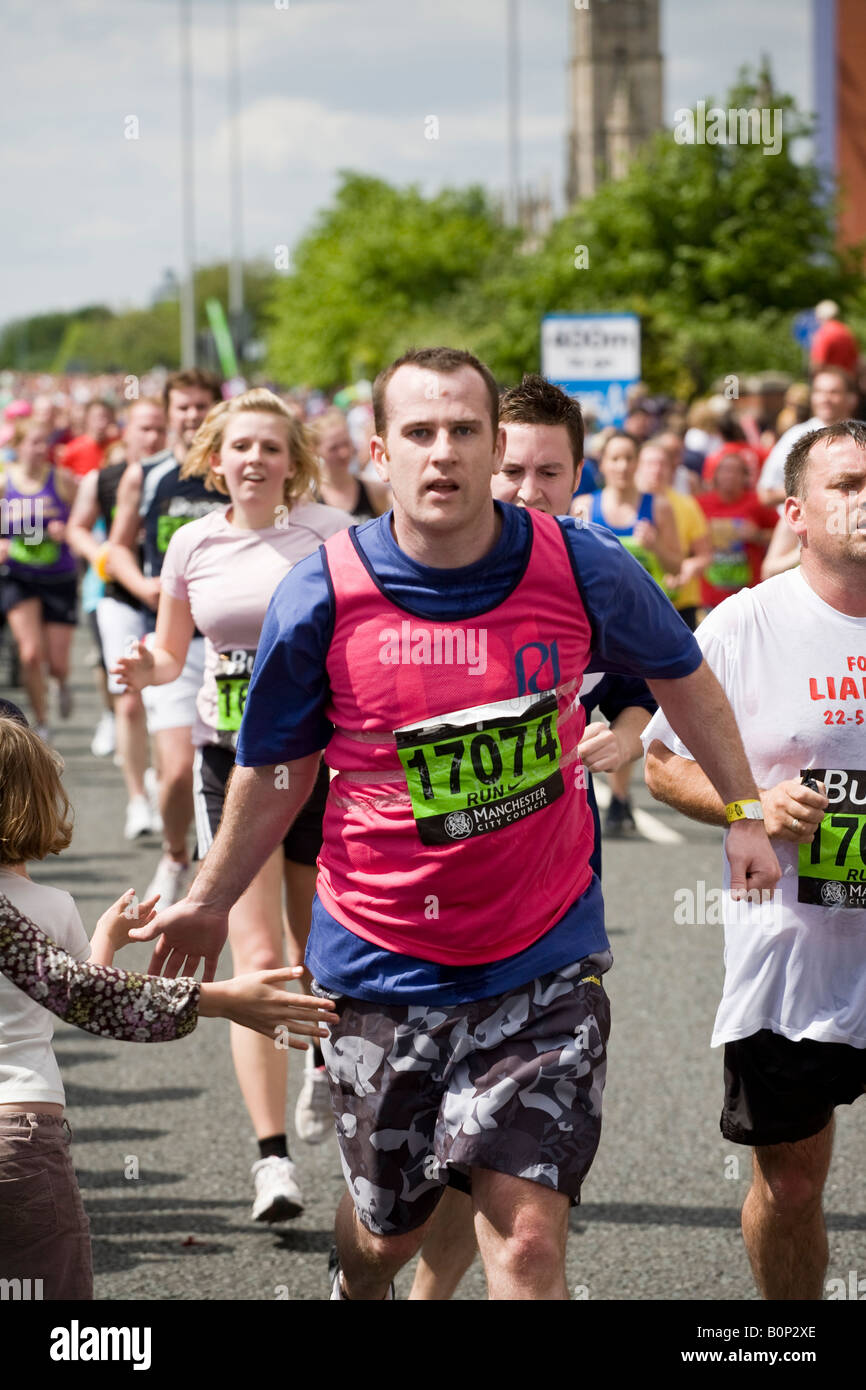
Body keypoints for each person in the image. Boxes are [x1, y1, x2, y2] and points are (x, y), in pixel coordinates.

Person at [131, 346, 778, 1302]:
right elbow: (277, 767)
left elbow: (684, 675)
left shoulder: (582, 564)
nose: (444, 454)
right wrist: (206, 901)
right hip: (382, 964)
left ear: (492, 446)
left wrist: (745, 811)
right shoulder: (322, 592)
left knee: (524, 1243)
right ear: (380, 453)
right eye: (421, 434)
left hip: (541, 958)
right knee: (390, 1236)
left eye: (464, 432)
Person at [410, 372, 658, 1300]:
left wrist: (622, 738)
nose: (527, 489)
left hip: (550, 913)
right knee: (427, 1177)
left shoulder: (596, 567)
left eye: (549, 472)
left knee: (515, 1192)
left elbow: (647, 692)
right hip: (420, 917)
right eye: (511, 466)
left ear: (578, 474)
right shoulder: (420, 563)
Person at [113, 389, 352, 1223]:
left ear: (294, 462)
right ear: (217, 460)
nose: (255, 460)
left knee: (317, 940)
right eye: (241, 446)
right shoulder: (190, 542)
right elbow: (174, 651)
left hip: (324, 760)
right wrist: (146, 670)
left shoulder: (329, 533)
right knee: (253, 953)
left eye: (272, 448)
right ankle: (272, 1164)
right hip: (236, 762)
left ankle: (327, 1070)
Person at [0, 707, 335, 1301]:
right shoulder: (42, 905)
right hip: (20, 1136)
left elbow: (78, 989)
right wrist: (221, 998)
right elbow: (84, 994)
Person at [642, 417, 866, 1301]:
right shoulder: (745, 624)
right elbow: (661, 763)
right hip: (794, 955)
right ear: (797, 512)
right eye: (846, 484)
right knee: (793, 1182)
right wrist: (753, 805)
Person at [108, 369, 224, 907]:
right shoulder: (148, 474)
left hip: (233, 644)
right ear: (170, 410)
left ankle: (223, 875)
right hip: (175, 641)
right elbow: (118, 547)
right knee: (176, 771)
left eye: (202, 406)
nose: (192, 416)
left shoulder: (239, 469)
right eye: (182, 407)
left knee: (238, 769)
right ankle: (176, 855)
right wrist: (143, 585)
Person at [573, 430, 681, 833]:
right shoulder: (584, 506)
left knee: (635, 704)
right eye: (614, 459)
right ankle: (618, 798)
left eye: (627, 458)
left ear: (637, 463)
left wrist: (654, 546)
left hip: (643, 626)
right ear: (604, 465)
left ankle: (621, 793)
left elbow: (674, 562)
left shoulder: (658, 506)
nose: (621, 466)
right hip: (597, 627)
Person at [67, 397, 167, 832]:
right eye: (144, 429)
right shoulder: (104, 479)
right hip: (118, 598)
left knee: (165, 703)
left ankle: (162, 777)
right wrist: (101, 557)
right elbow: (77, 527)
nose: (153, 437)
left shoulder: (184, 479)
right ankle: (137, 800)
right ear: (125, 432)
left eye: (160, 429)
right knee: (129, 702)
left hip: (171, 603)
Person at [0, 420, 78, 739]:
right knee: (30, 654)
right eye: (32, 442)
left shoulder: (61, 480)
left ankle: (60, 682)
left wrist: (66, 530)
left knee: (57, 663)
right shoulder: (5, 483)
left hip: (58, 576)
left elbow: (82, 520)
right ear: (18, 446)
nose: (40, 449)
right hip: (19, 576)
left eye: (43, 442)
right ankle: (42, 722)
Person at [636, 440, 711, 631]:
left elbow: (704, 555)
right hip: (635, 601)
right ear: (637, 466)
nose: (657, 470)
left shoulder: (687, 505)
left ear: (672, 469)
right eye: (650, 463)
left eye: (662, 464)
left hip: (680, 603)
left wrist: (688, 567)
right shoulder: (624, 505)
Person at [757, 367, 858, 508]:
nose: (825, 399)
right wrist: (817, 490)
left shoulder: (862, 435)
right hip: (801, 527)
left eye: (833, 392)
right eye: (819, 392)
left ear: (851, 398)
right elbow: (766, 493)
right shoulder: (795, 436)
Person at [697, 449, 778, 611]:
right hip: (710, 596)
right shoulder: (699, 504)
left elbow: (783, 535)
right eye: (725, 470)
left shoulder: (758, 503)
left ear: (745, 476)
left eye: (736, 471)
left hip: (748, 594)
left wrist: (758, 535)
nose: (730, 476)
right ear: (716, 475)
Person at [309, 408, 389, 519]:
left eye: (346, 444)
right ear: (315, 450)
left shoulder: (374, 491)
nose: (344, 453)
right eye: (333, 448)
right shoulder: (309, 499)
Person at [60, 400, 117, 479]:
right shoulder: (73, 448)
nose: (100, 422)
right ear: (87, 418)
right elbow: (62, 476)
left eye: (104, 417)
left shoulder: (115, 446)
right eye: (96, 417)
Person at [810, 299, 859, 376]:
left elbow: (818, 363)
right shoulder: (847, 332)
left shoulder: (824, 333)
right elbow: (855, 359)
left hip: (829, 380)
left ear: (820, 317)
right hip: (847, 379)